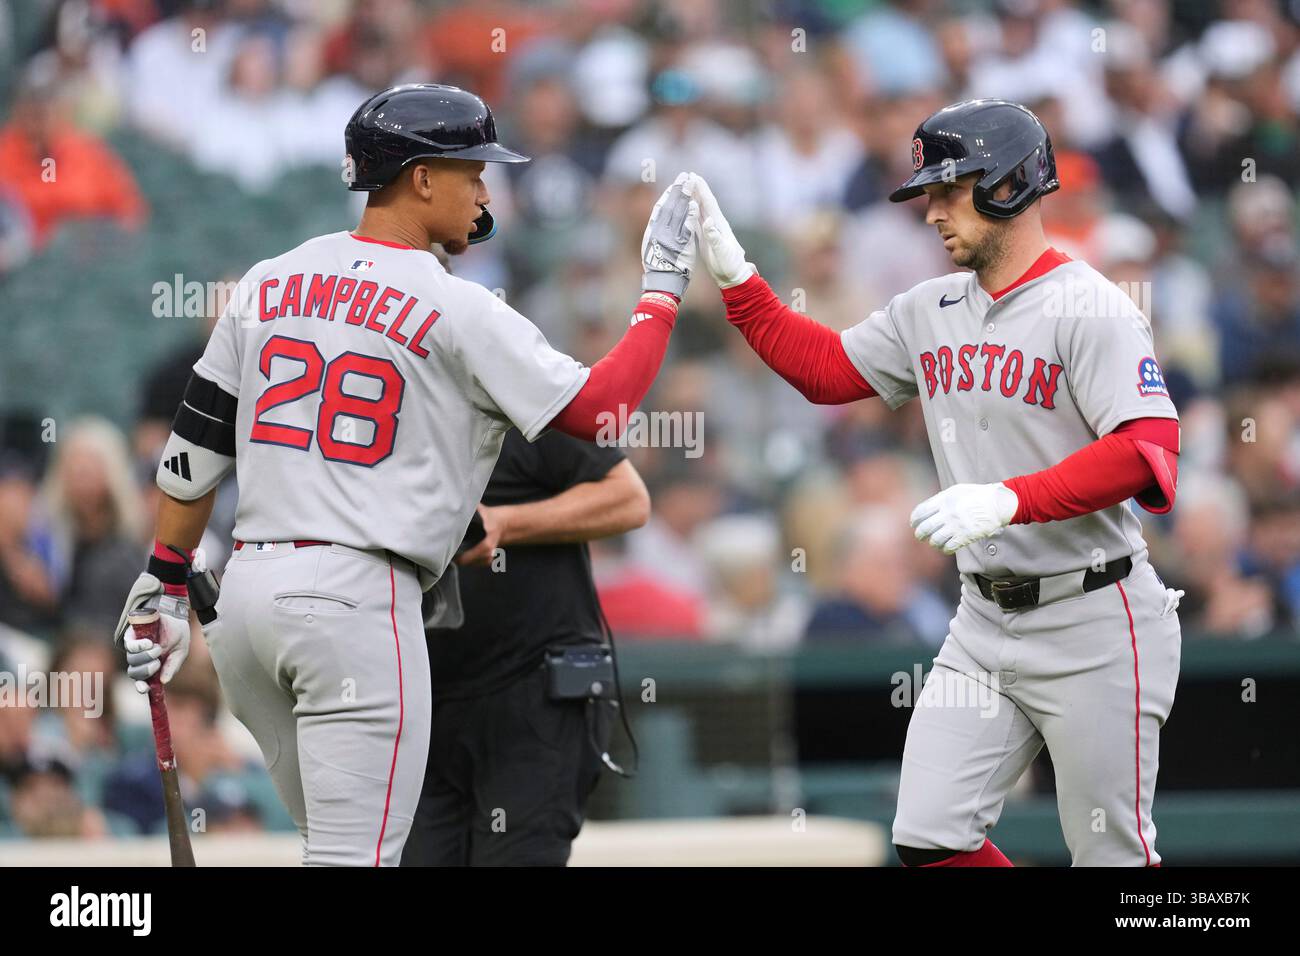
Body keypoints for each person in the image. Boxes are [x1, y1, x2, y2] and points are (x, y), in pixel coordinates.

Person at [113, 83, 701, 866]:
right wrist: (659, 294)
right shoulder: (457, 306)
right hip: (355, 604)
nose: (487, 191)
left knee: (332, 848)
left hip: (247, 608)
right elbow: (603, 411)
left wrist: (164, 576)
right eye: (473, 170)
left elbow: (191, 454)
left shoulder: (266, 280)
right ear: (421, 177)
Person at [689, 99, 1185, 867]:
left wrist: (1010, 498)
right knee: (927, 836)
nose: (932, 211)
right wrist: (740, 281)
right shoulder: (931, 307)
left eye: (950, 190)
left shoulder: (1091, 306)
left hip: (1095, 613)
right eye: (929, 192)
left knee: (1112, 857)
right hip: (983, 621)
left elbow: (1147, 451)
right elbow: (826, 372)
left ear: (1012, 184)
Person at [402, 428, 648, 866]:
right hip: (424, 702)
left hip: (534, 696)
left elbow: (629, 499)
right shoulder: (393, 408)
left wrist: (503, 522)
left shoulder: (525, 395)